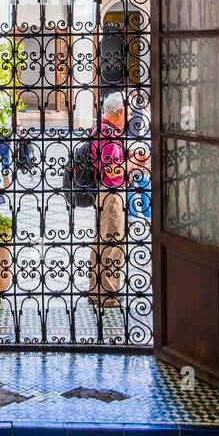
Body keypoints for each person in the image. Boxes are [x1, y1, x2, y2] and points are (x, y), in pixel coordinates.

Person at [87, 90, 129, 309]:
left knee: (101, 240)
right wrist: (137, 164)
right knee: (113, 242)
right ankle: (109, 293)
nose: (128, 118)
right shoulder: (110, 134)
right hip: (112, 193)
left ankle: (95, 289)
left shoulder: (98, 128)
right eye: (127, 113)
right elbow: (112, 170)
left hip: (101, 192)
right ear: (120, 111)